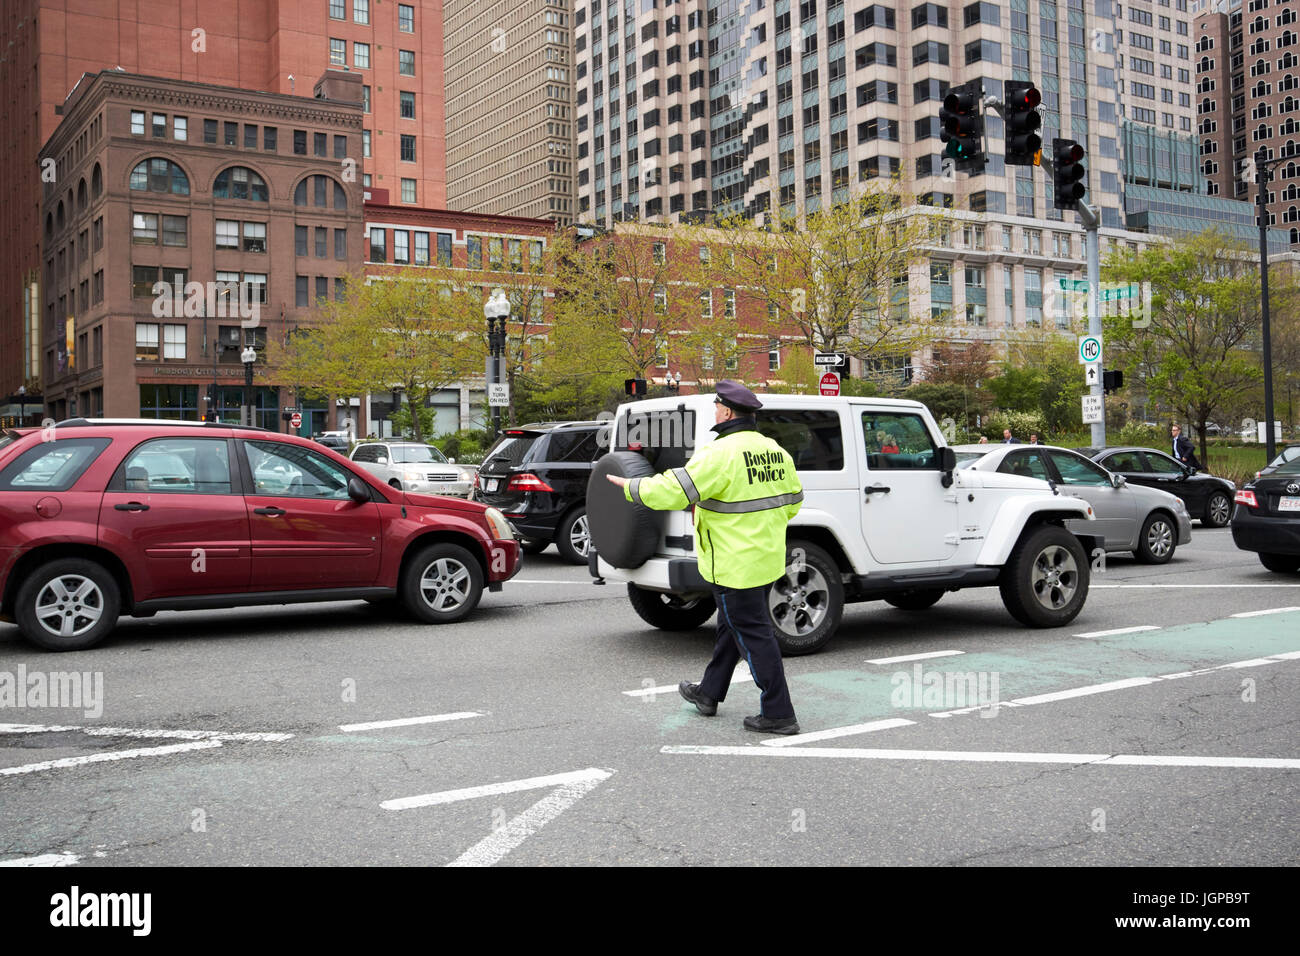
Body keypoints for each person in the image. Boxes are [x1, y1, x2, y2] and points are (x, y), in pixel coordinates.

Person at [605, 380, 804, 735]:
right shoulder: (775, 450)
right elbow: (794, 503)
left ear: (727, 412)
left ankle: (779, 712)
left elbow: (672, 490)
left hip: (733, 563)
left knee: (754, 636)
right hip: (764, 559)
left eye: (716, 407)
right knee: (733, 627)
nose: (714, 412)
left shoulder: (719, 453)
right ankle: (709, 693)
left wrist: (632, 486)